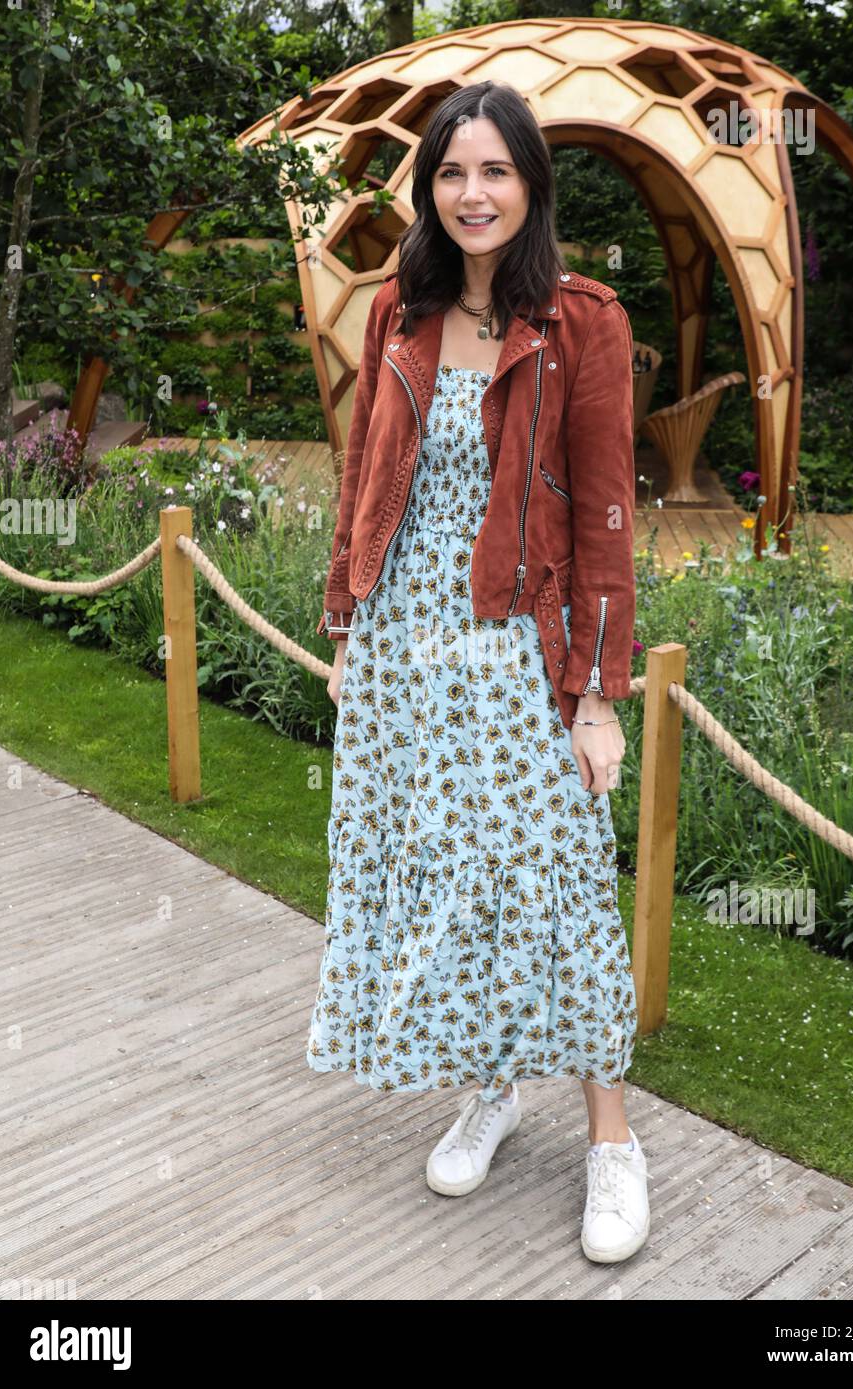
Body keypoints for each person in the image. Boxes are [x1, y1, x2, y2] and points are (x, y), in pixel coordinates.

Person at [307, 80, 649, 1264]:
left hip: (515, 634)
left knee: (555, 876)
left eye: (496, 170)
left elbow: (605, 509)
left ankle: (612, 1138)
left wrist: (597, 693)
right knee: (445, 871)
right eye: (453, 172)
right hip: (405, 648)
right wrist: (347, 626)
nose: (473, 192)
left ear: (531, 186)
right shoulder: (399, 311)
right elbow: (364, 474)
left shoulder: (579, 321)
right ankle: (494, 1087)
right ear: (430, 189)